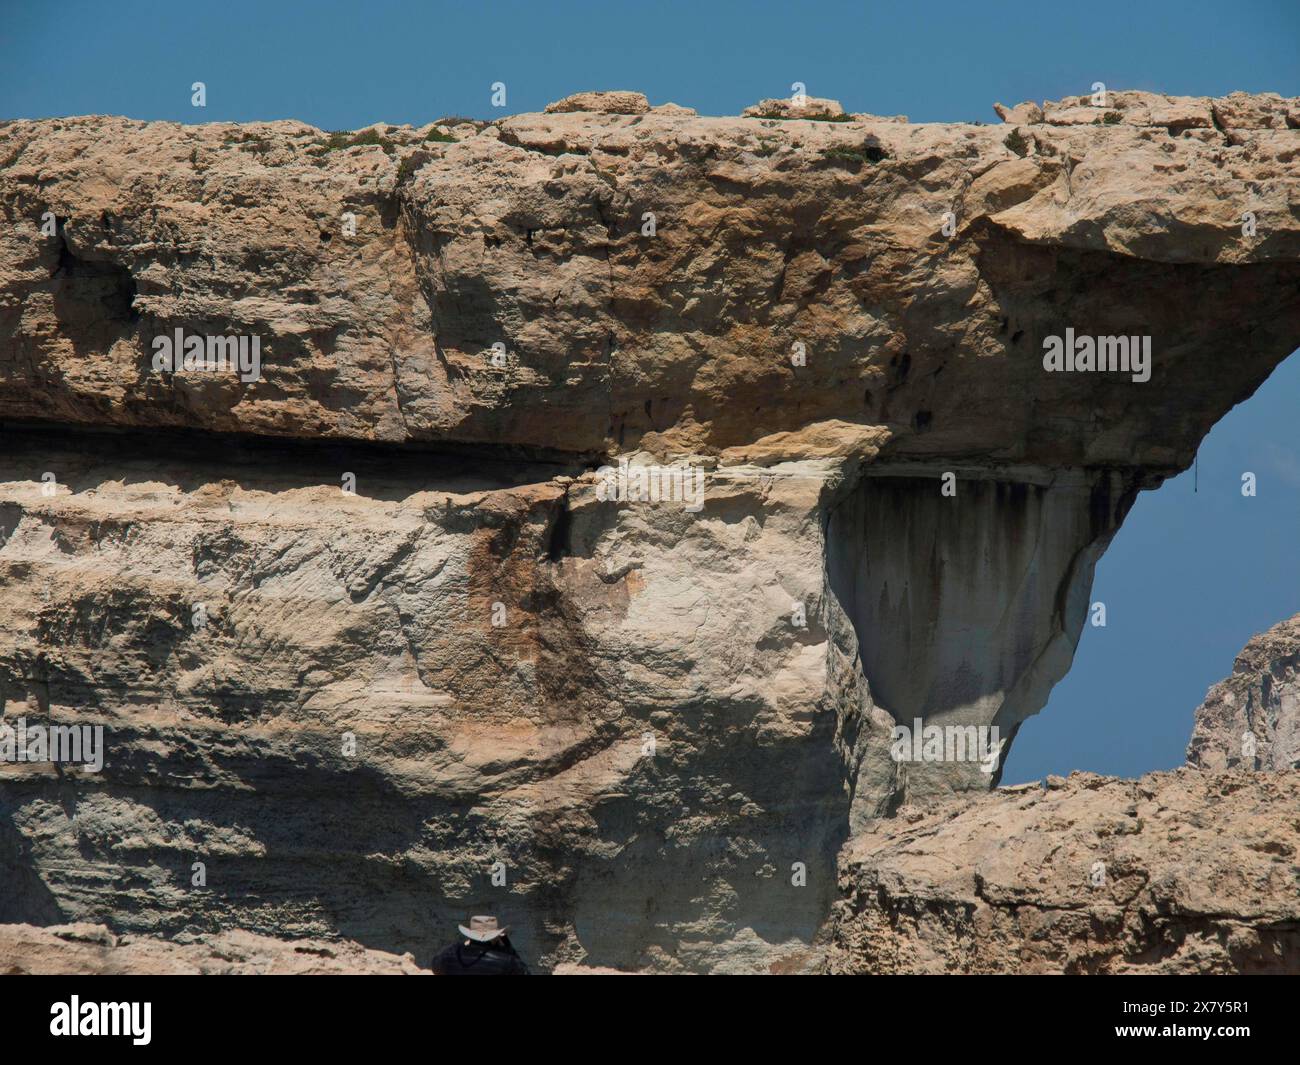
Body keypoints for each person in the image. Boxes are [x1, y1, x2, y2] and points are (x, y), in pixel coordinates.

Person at [431, 915, 529, 975]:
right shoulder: (506, 961)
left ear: (470, 934)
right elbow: (524, 972)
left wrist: (459, 945)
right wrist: (507, 946)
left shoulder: (449, 955)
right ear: (495, 937)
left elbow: (435, 966)